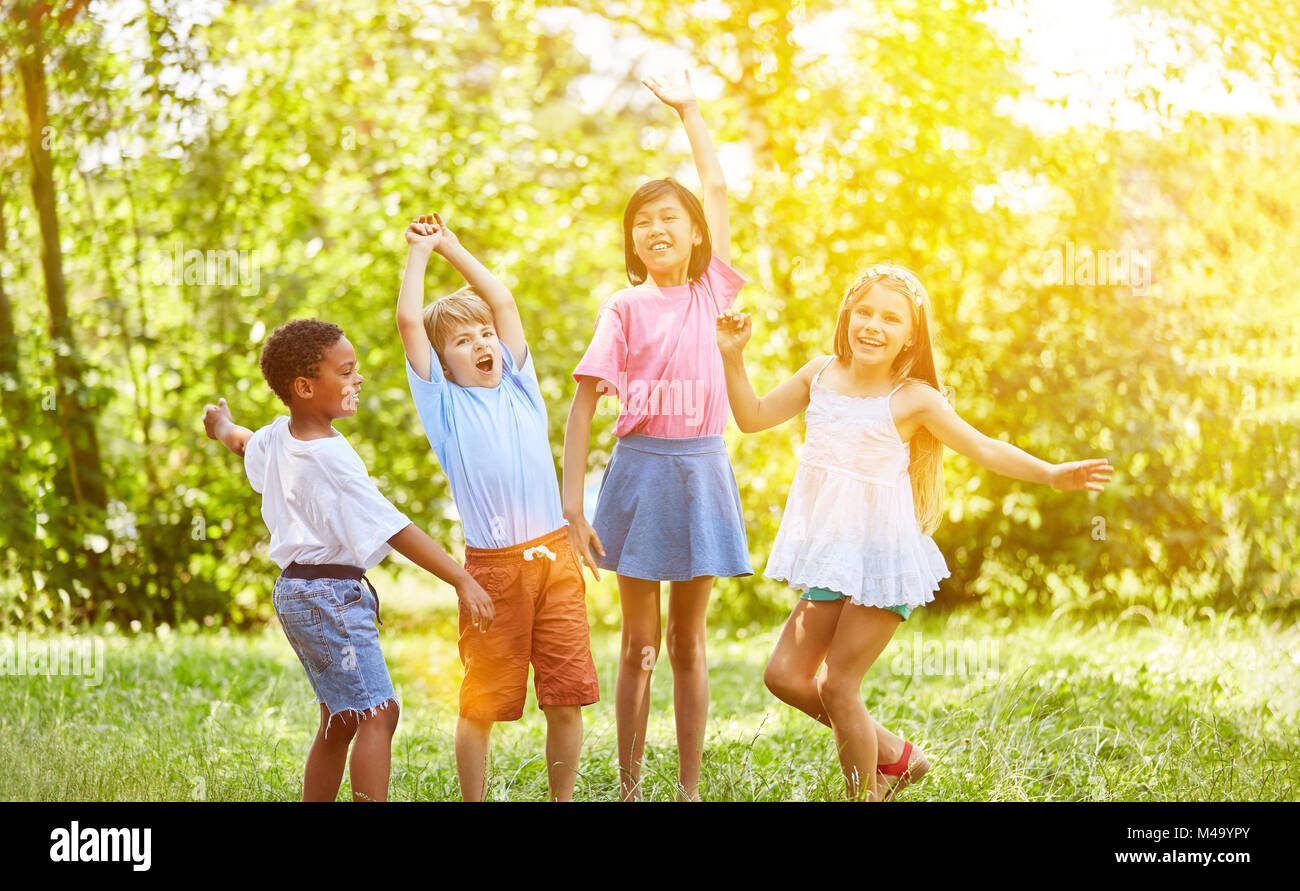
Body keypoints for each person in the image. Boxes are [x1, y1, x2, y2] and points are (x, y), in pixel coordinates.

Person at [716, 265, 1113, 800]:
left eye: (890, 318)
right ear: (847, 316)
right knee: (785, 676)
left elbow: (985, 447)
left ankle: (866, 794)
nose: (873, 326)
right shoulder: (818, 375)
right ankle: (897, 757)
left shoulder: (914, 398)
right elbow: (752, 416)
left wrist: (1050, 473)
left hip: (884, 560)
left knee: (838, 684)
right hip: (834, 557)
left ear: (910, 335)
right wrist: (732, 356)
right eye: (865, 312)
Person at [202, 318, 492, 802]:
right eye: (346, 371)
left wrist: (221, 426)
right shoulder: (330, 458)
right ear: (305, 387)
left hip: (296, 592)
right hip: (329, 597)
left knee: (341, 718)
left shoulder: (279, 437)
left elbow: (242, 441)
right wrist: (461, 578)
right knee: (378, 714)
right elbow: (394, 527)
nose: (358, 379)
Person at [563, 71, 750, 801]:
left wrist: (691, 111)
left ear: (695, 230)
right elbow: (584, 404)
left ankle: (689, 788)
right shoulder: (622, 306)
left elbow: (719, 186)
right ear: (633, 242)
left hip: (701, 471)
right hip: (637, 474)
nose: (657, 229)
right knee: (638, 645)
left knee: (687, 642)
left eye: (671, 217)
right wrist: (574, 507)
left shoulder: (711, 293)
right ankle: (631, 787)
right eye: (643, 222)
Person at [398, 213, 599, 802]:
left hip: (556, 560)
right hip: (494, 571)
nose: (481, 343)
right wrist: (419, 252)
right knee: (482, 700)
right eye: (462, 341)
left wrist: (454, 246)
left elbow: (502, 301)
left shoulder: (520, 385)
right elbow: (411, 319)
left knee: (566, 695)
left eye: (483, 334)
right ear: (442, 364)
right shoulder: (444, 406)